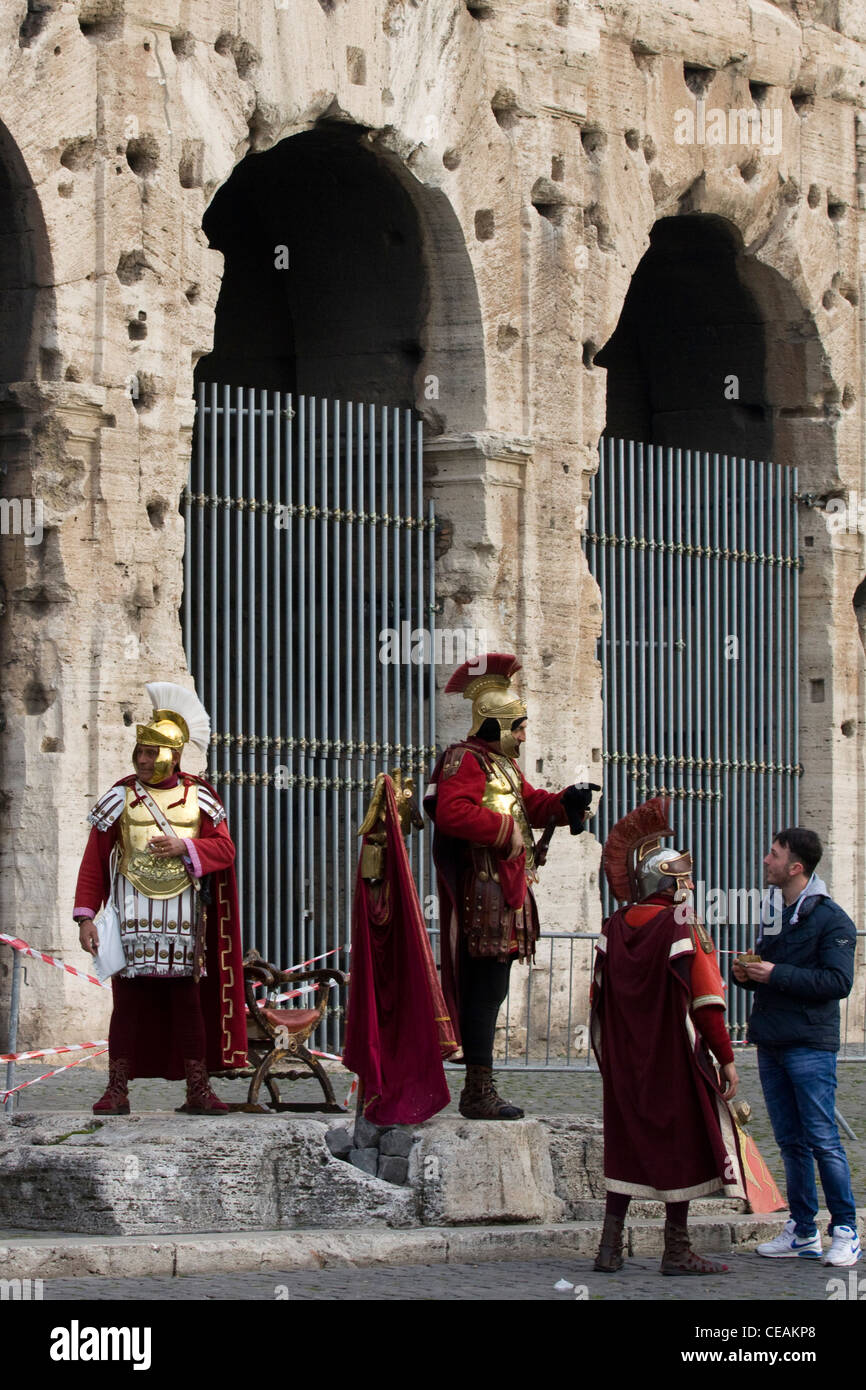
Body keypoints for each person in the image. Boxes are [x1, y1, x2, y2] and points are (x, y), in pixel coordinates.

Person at [423, 652, 594, 1119]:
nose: (523, 735)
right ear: (495, 723)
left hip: (507, 889)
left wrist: (567, 802)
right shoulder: (464, 759)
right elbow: (450, 812)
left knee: (492, 989)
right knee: (484, 989)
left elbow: (532, 805)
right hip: (484, 890)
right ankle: (477, 1090)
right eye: (518, 726)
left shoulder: (504, 767)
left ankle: (480, 1086)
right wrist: (504, 832)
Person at [73, 681, 247, 1115]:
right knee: (127, 1005)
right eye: (141, 753)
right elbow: (95, 860)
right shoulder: (120, 794)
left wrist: (185, 848)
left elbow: (225, 850)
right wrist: (85, 917)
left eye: (152, 753)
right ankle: (117, 1090)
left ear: (173, 754)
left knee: (187, 1006)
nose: (144, 760)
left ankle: (197, 1090)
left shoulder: (201, 795)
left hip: (183, 920)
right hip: (132, 916)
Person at [590, 797, 745, 1276]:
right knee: (685, 1145)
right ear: (667, 884)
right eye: (683, 879)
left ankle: (608, 1249)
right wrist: (726, 1058)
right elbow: (704, 1001)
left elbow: (597, 1001)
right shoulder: (681, 924)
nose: (691, 887)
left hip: (625, 1062)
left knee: (627, 1144)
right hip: (673, 1060)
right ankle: (676, 1250)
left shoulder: (613, 926)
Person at [732, 827, 860, 1267]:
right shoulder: (774, 912)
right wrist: (745, 973)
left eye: (774, 854)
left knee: (824, 1139)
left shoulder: (832, 920)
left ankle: (845, 1229)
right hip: (772, 1040)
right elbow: (768, 967)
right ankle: (803, 1230)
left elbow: (838, 982)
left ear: (796, 867)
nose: (766, 860)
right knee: (790, 1142)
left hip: (809, 1043)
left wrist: (775, 974)